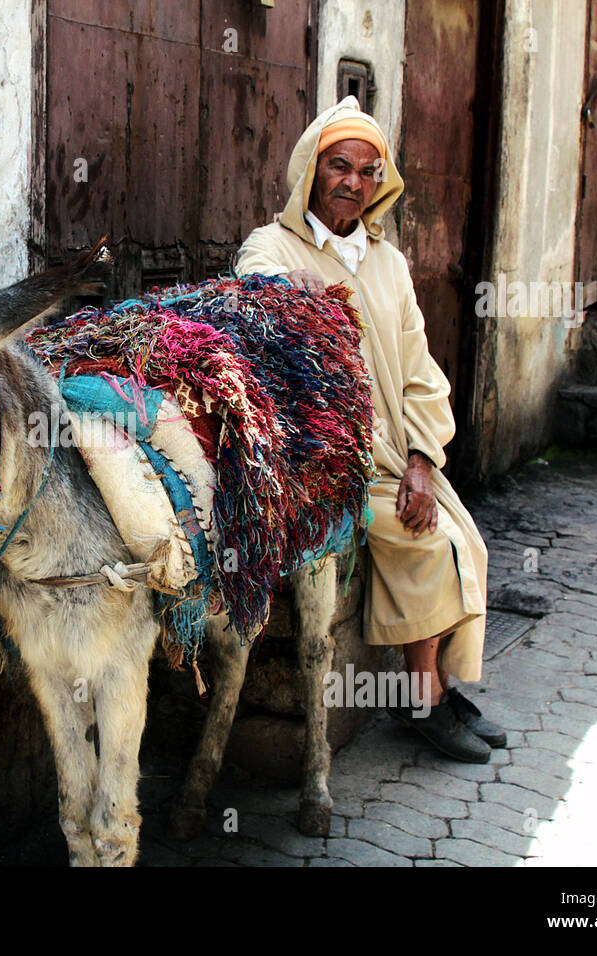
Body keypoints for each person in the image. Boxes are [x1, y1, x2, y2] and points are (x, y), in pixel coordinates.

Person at [235, 96, 504, 763]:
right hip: (325, 459)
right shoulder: (270, 249)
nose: (351, 182)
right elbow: (274, 333)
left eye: (366, 170)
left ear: (379, 183)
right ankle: (423, 704)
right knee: (427, 538)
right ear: (312, 171)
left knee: (467, 538)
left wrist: (421, 457)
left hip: (393, 452)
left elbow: (418, 368)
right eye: (338, 166)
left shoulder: (387, 263)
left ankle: (437, 685)